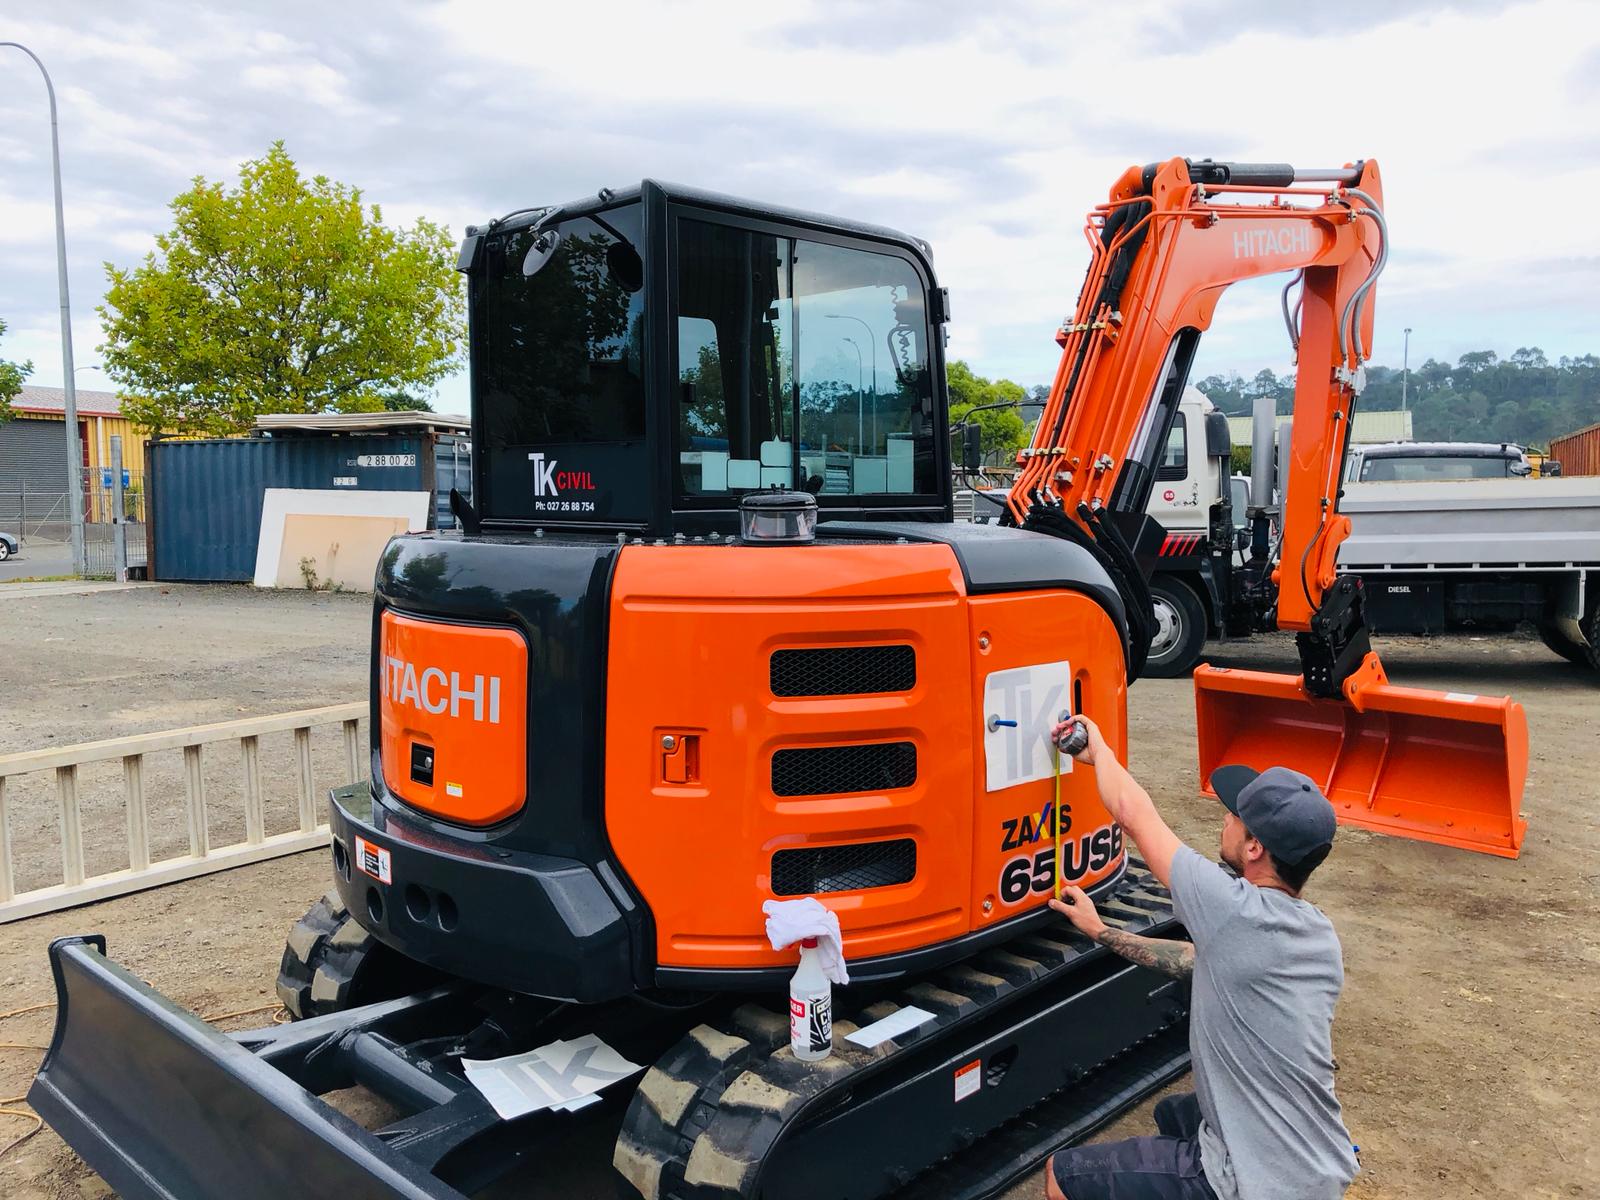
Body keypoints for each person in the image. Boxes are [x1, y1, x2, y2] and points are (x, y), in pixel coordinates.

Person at [1043, 715, 1357, 1200]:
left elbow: (1135, 815)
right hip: (1317, 1166)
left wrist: (1097, 752)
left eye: (1235, 816)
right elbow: (1197, 960)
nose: (1225, 819)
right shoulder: (1316, 934)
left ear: (1254, 846)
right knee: (1177, 1114)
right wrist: (1102, 931)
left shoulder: (1230, 909)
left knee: (1062, 1177)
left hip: (1254, 1182)